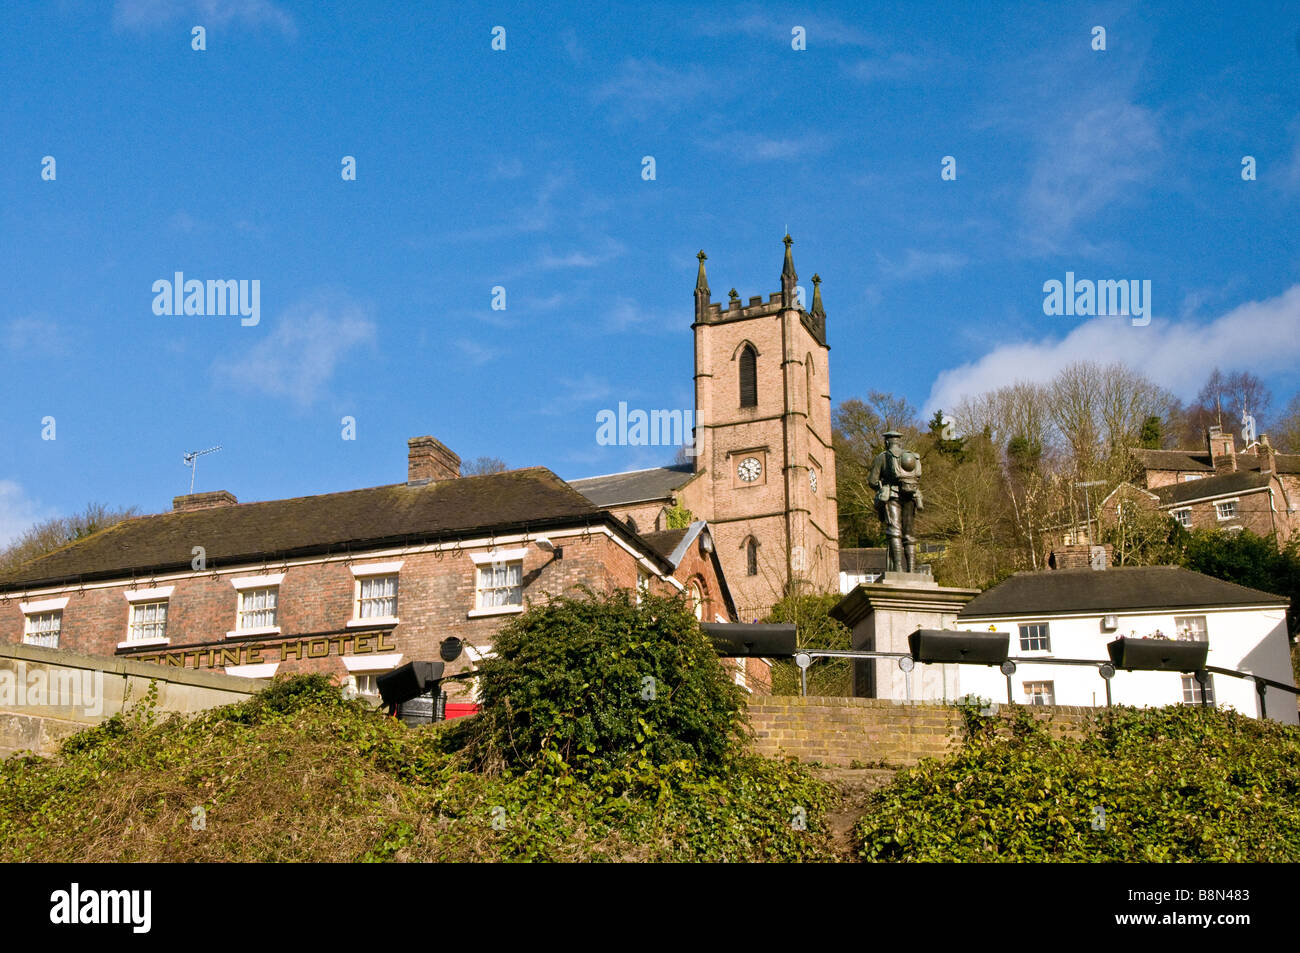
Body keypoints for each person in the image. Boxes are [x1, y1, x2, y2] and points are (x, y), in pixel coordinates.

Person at [868, 430, 924, 573]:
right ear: (899, 442)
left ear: (887, 442)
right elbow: (917, 476)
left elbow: (872, 481)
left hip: (892, 496)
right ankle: (911, 569)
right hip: (910, 496)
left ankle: (898, 567)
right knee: (909, 534)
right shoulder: (912, 457)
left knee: (894, 531)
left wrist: (881, 485)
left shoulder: (883, 457)